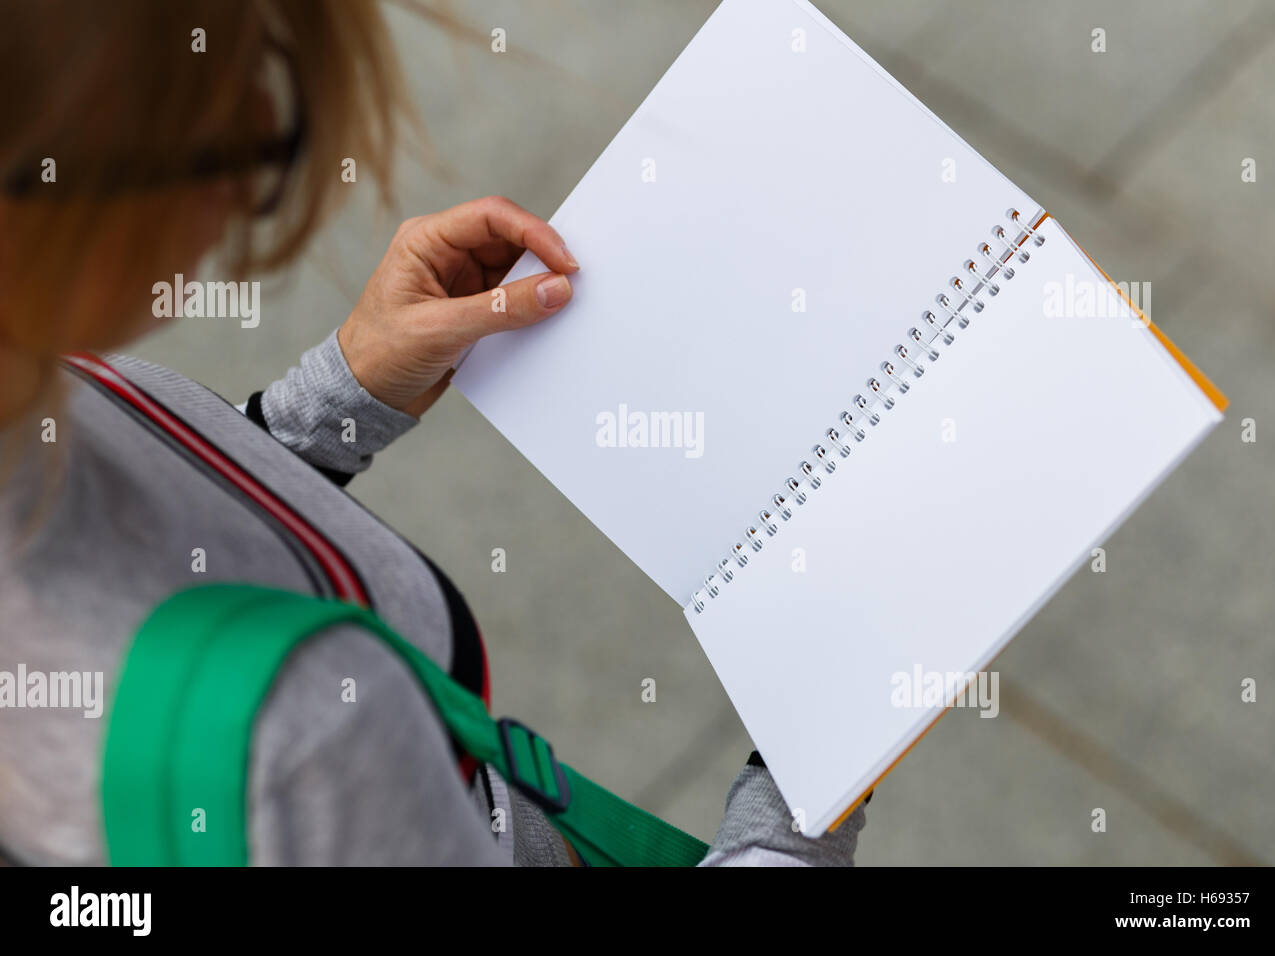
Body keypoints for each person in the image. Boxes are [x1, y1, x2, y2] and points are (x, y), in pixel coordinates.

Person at [0, 0, 865, 866]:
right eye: (231, 139)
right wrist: (804, 794)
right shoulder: (307, 749)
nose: (248, 185)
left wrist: (340, 395)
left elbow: (177, 546)